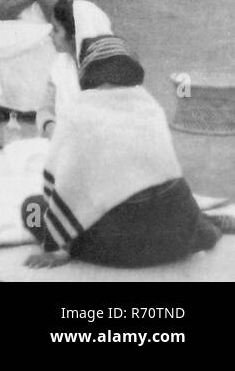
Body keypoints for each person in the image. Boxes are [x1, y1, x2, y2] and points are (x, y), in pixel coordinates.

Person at [22, 35, 233, 269]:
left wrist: (55, 246)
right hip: (178, 236)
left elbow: (65, 185)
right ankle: (204, 223)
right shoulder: (149, 105)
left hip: (124, 245)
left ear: (90, 72)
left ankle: (75, 246)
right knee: (161, 201)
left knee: (32, 207)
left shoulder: (78, 111)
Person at [36, 0, 112, 139]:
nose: (50, 34)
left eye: (56, 30)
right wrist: (49, 126)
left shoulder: (108, 75)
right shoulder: (61, 65)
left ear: (74, 36)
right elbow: (45, 109)